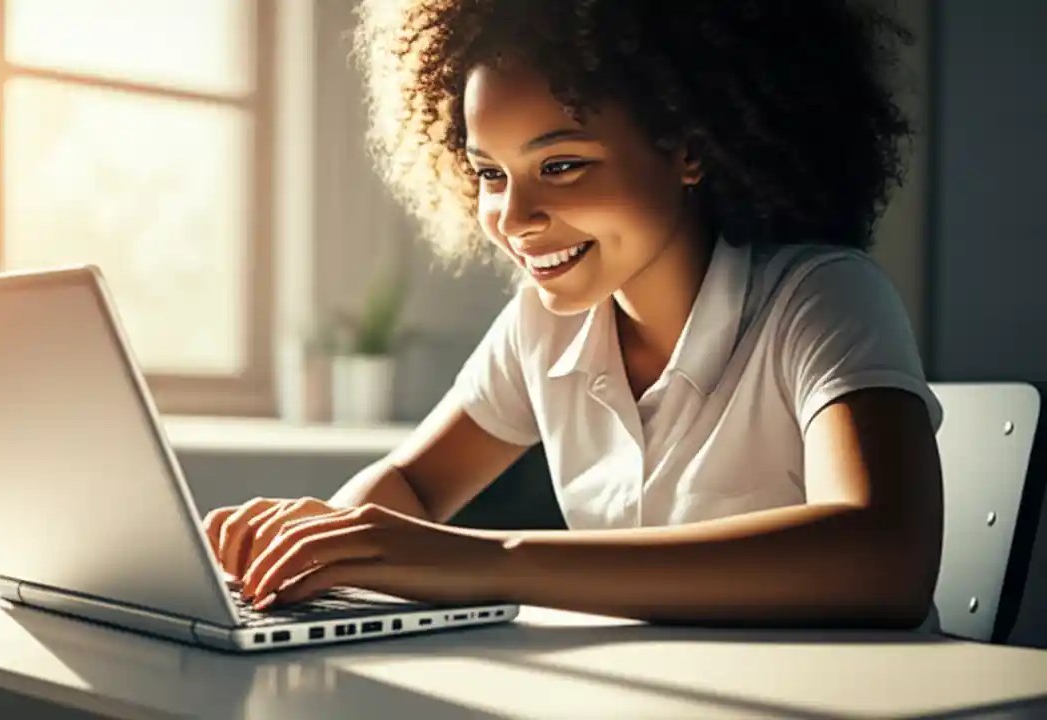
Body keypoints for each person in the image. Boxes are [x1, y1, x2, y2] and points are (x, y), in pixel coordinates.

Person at [205, 0, 943, 630]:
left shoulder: (820, 298)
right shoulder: (543, 326)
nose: (513, 217)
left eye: (560, 166)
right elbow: (417, 488)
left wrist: (492, 562)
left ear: (689, 147)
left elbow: (887, 557)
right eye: (490, 174)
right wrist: (314, 550)